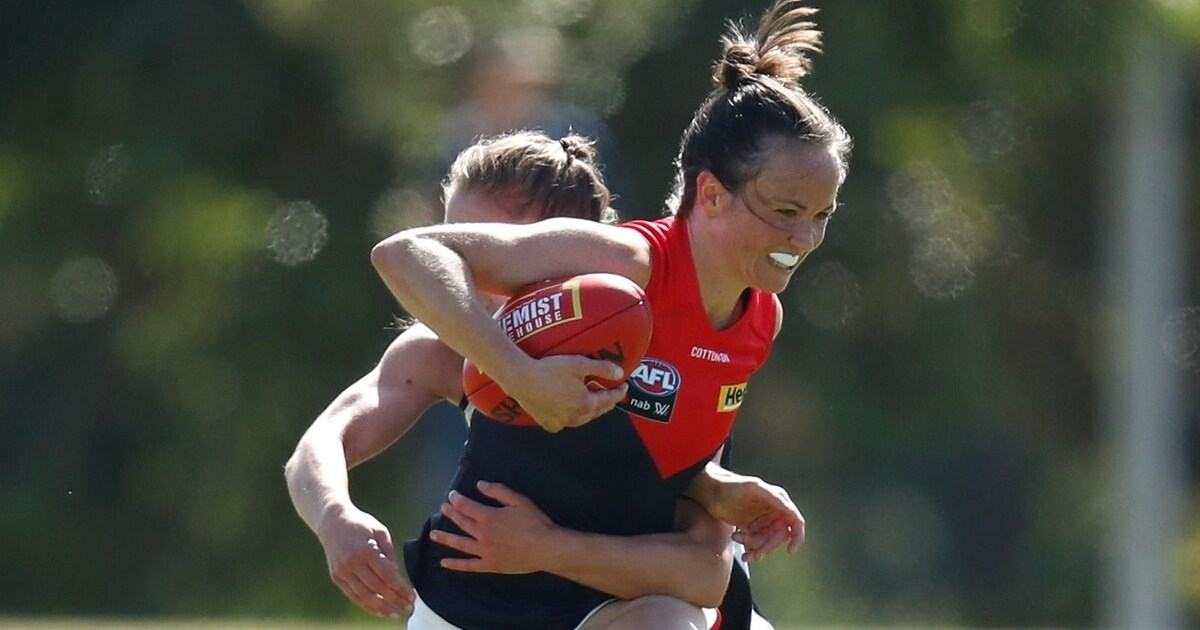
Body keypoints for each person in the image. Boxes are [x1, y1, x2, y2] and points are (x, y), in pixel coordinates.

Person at [370, 1, 852, 628]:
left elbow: (697, 554)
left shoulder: (761, 318)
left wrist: (709, 485)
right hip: (477, 599)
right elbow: (405, 253)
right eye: (786, 212)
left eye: (821, 215)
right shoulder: (624, 263)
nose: (805, 238)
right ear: (711, 193)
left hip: (607, 600)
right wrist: (519, 375)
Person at [286, 130, 789, 627]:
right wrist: (333, 515)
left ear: (566, 247)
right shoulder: (442, 350)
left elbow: (704, 570)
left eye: (487, 245)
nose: (464, 269)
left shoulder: (664, 347)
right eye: (454, 238)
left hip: (633, 598)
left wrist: (550, 546)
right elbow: (323, 441)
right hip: (486, 600)